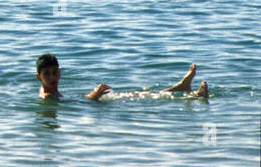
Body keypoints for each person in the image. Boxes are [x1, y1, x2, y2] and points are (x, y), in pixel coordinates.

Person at [35, 54, 208, 100]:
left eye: (55, 72)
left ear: (60, 73)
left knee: (142, 95)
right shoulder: (48, 96)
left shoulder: (47, 90)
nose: (52, 77)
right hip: (92, 103)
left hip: (95, 101)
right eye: (47, 74)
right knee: (144, 97)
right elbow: (72, 105)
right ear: (39, 77)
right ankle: (190, 93)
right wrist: (92, 96)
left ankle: (184, 87)